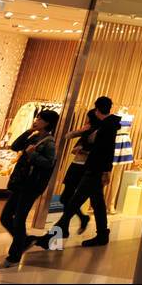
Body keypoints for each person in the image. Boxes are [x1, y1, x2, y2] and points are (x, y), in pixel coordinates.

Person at [43, 95, 119, 249]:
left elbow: (107, 150)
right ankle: (102, 234)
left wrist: (106, 170)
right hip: (93, 168)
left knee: (73, 203)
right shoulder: (105, 125)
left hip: (95, 170)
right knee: (96, 203)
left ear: (97, 109)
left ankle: (53, 235)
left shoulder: (108, 126)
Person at [0, 109, 59, 269]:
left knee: (19, 219)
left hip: (31, 185)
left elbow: (49, 163)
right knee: (5, 217)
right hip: (21, 183)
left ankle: (14, 257)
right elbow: (15, 146)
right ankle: (25, 241)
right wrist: (28, 131)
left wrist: (33, 154)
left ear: (47, 123)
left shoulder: (49, 142)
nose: (36, 121)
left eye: (39, 119)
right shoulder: (35, 136)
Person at [56, 109, 97, 236]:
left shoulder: (98, 132)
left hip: (85, 167)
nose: (86, 120)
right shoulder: (86, 130)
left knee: (70, 198)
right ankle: (79, 220)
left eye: (87, 118)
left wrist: (83, 150)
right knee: (65, 198)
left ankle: (65, 227)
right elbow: (67, 136)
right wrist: (82, 130)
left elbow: (99, 152)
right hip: (75, 164)